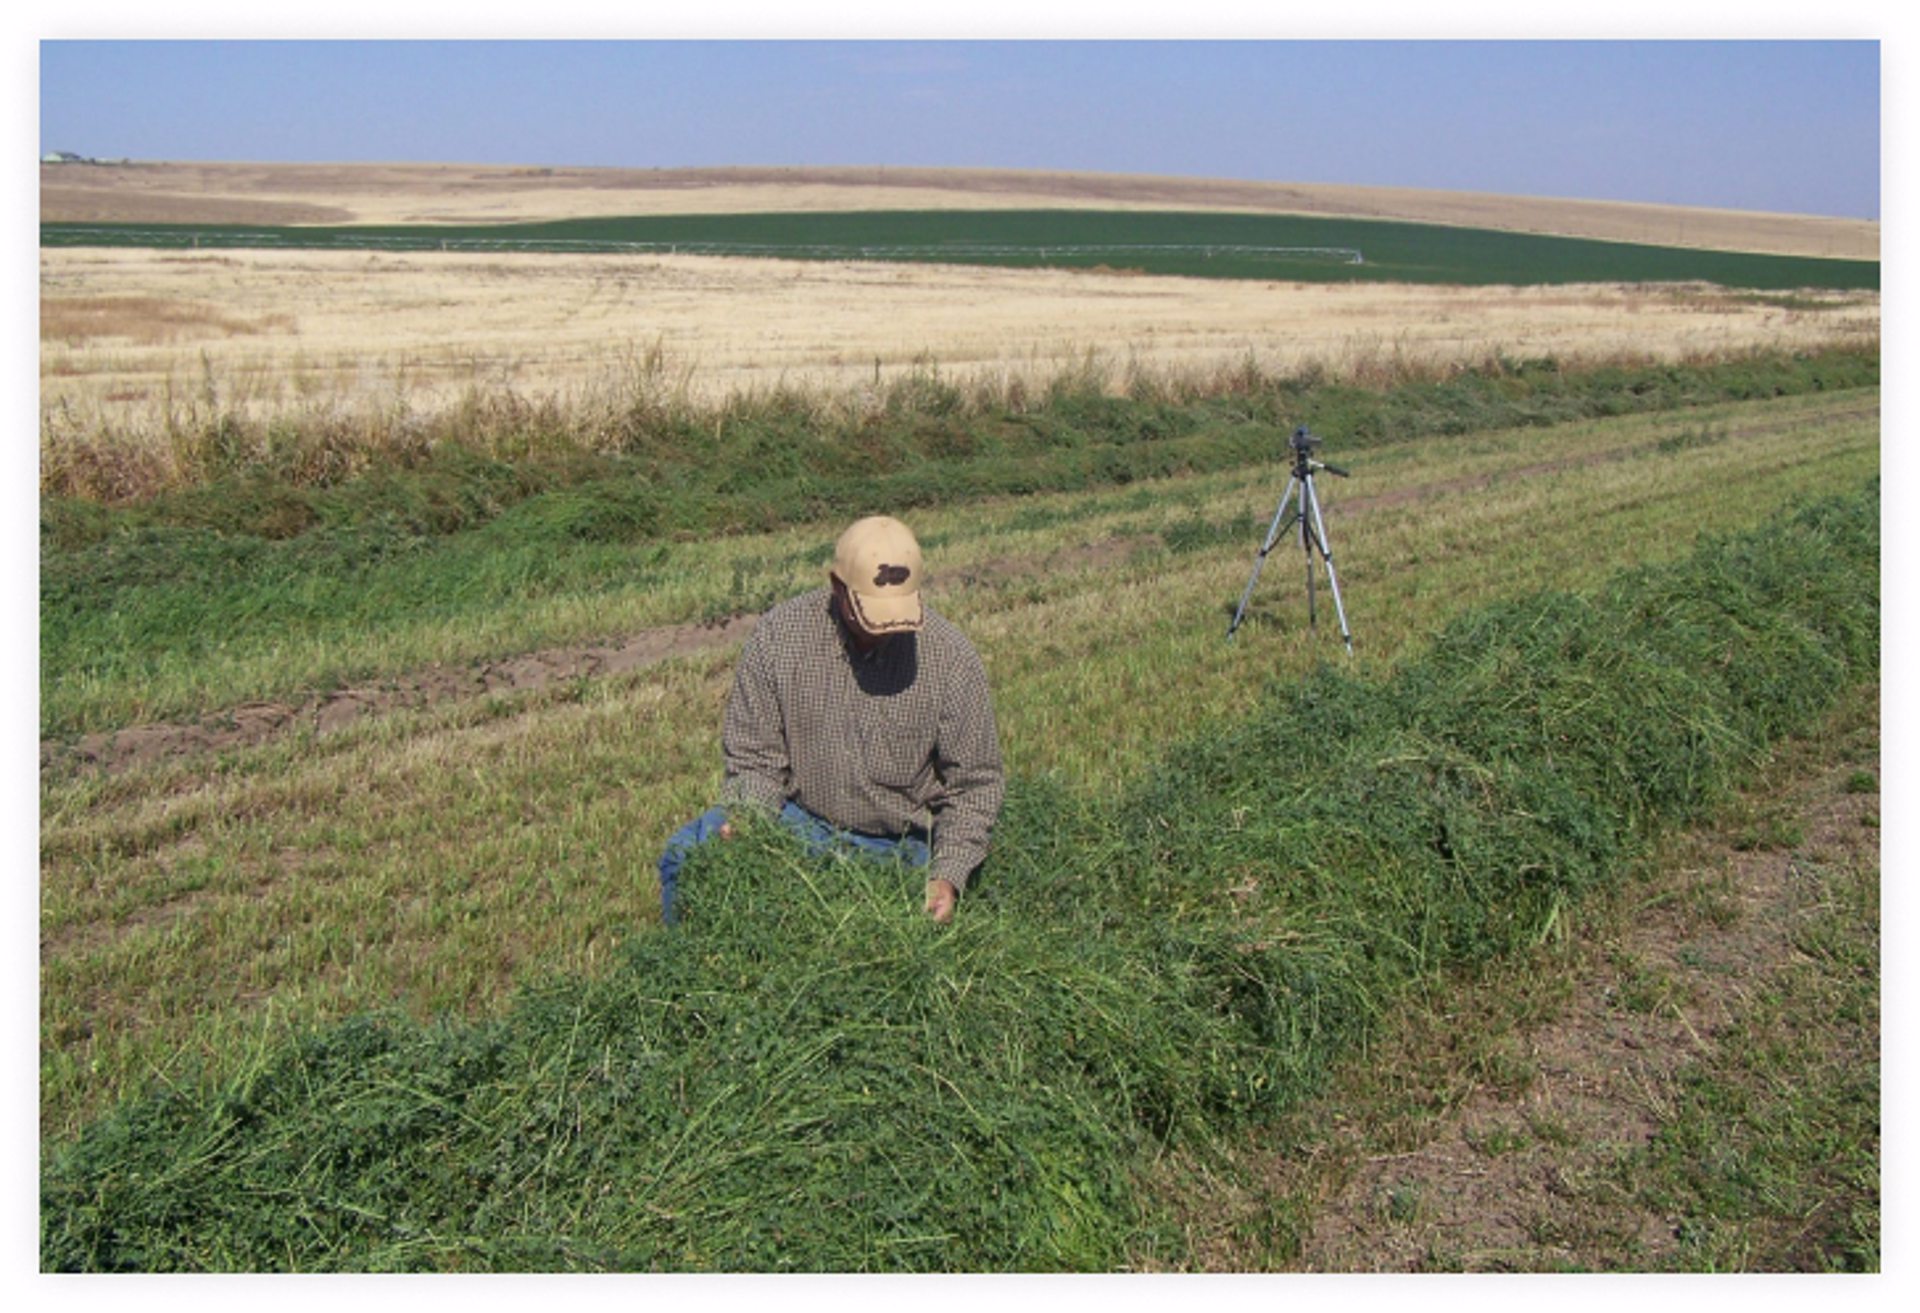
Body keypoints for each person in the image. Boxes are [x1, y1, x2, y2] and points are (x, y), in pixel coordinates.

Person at [658, 515, 1005, 926]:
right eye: (872, 614)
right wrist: (749, 818)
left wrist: (947, 875)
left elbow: (975, 784)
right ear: (837, 587)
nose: (886, 631)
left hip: (895, 847)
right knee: (686, 855)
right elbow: (755, 758)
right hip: (798, 820)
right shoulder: (780, 637)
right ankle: (699, 973)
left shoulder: (950, 659)